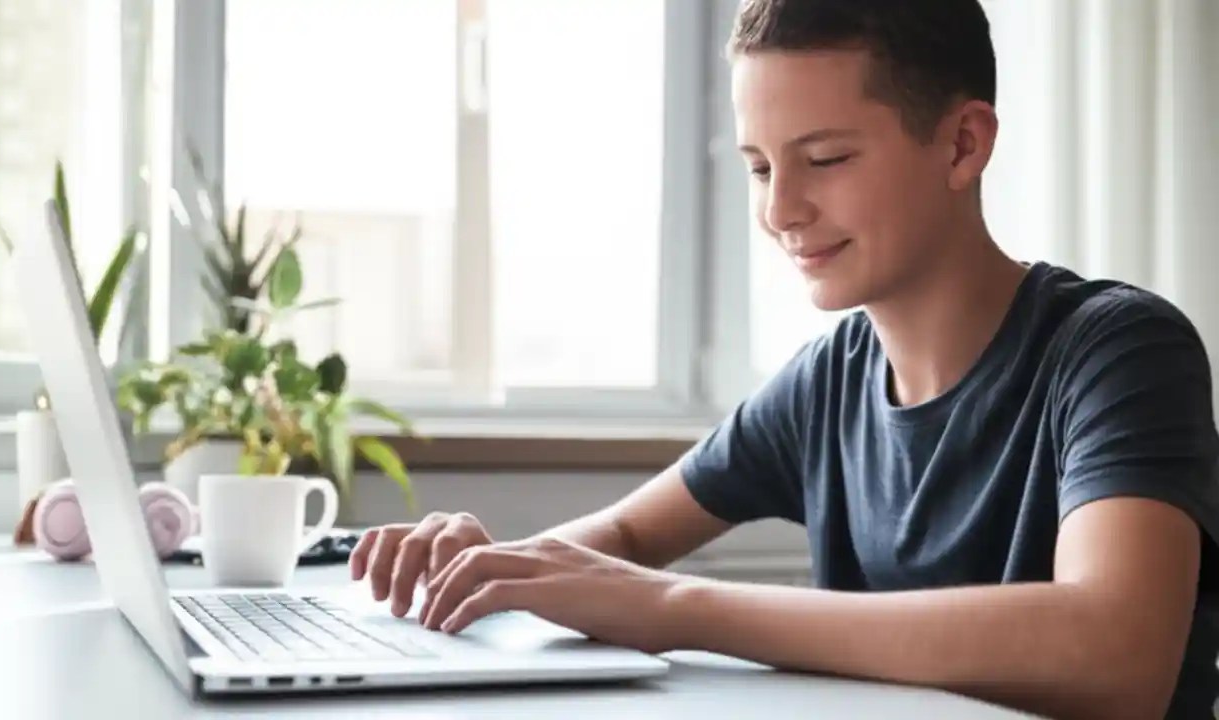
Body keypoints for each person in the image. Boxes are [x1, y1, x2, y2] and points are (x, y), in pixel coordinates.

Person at [349, 1, 1219, 717]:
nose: (780, 210)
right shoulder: (827, 380)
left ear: (963, 145)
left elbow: (1116, 654)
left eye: (826, 158)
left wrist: (675, 606)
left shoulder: (1119, 350)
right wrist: (496, 565)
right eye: (761, 168)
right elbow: (623, 539)